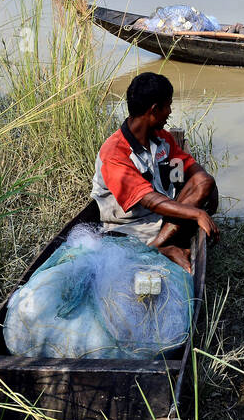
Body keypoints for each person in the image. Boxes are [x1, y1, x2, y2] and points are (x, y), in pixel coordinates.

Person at [91, 72, 218, 274]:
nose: (169, 112)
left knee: (203, 181)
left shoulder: (161, 139)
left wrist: (209, 183)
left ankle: (161, 245)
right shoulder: (115, 153)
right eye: (168, 106)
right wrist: (197, 213)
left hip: (164, 220)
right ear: (154, 110)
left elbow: (188, 166)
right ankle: (155, 248)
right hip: (129, 231)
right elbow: (148, 200)